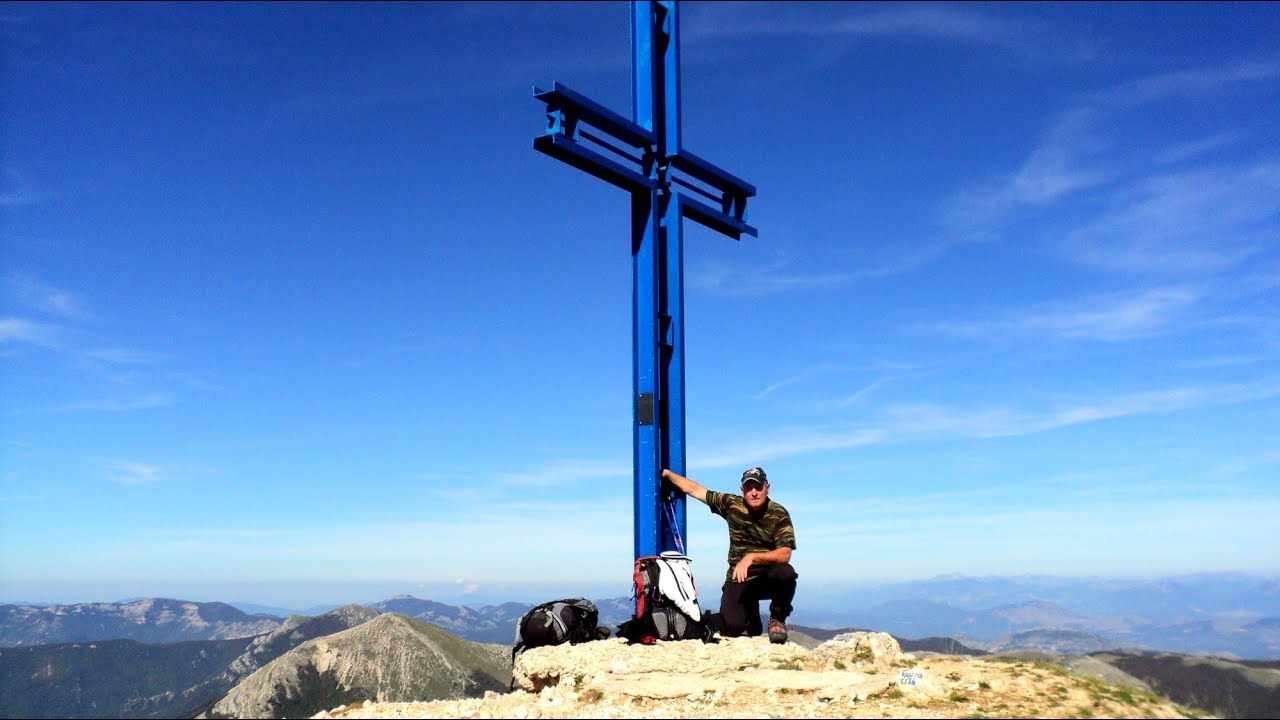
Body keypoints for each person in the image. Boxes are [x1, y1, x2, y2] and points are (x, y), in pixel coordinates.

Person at [661, 466, 797, 644]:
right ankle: (748, 613)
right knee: (731, 628)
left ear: (767, 487)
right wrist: (668, 475)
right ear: (742, 491)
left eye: (758, 487)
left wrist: (751, 557)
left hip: (765, 578)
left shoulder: (778, 513)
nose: (754, 493)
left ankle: (777, 619)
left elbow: (785, 554)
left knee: (785, 573)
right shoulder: (732, 504)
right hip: (739, 578)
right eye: (749, 488)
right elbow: (697, 491)